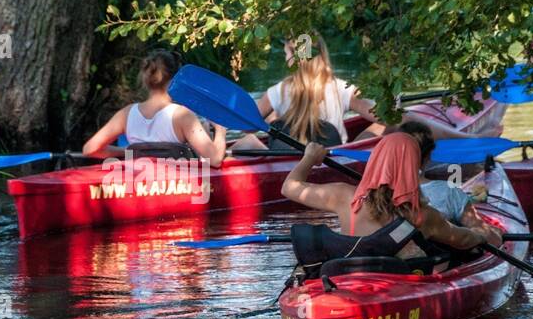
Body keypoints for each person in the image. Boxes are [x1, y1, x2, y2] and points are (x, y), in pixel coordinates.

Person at [281, 132, 503, 257]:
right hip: (393, 285)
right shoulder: (421, 215)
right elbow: (463, 239)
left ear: (376, 160)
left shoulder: (342, 196)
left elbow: (289, 187)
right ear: (412, 166)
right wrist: (482, 233)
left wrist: (309, 157)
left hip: (349, 278)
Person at [231, 35, 382, 152]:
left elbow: (247, 127)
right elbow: (382, 117)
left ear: (294, 58)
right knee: (381, 127)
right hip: (329, 156)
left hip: (290, 162)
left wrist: (222, 123)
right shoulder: (342, 88)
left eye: (286, 54)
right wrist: (393, 108)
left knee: (248, 140)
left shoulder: (277, 91)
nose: (285, 58)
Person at [82, 49, 227, 165]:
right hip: (176, 190)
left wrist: (126, 151)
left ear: (146, 79)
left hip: (140, 188)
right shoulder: (182, 115)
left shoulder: (126, 114)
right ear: (175, 80)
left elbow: (90, 149)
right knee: (249, 141)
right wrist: (220, 131)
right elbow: (214, 160)